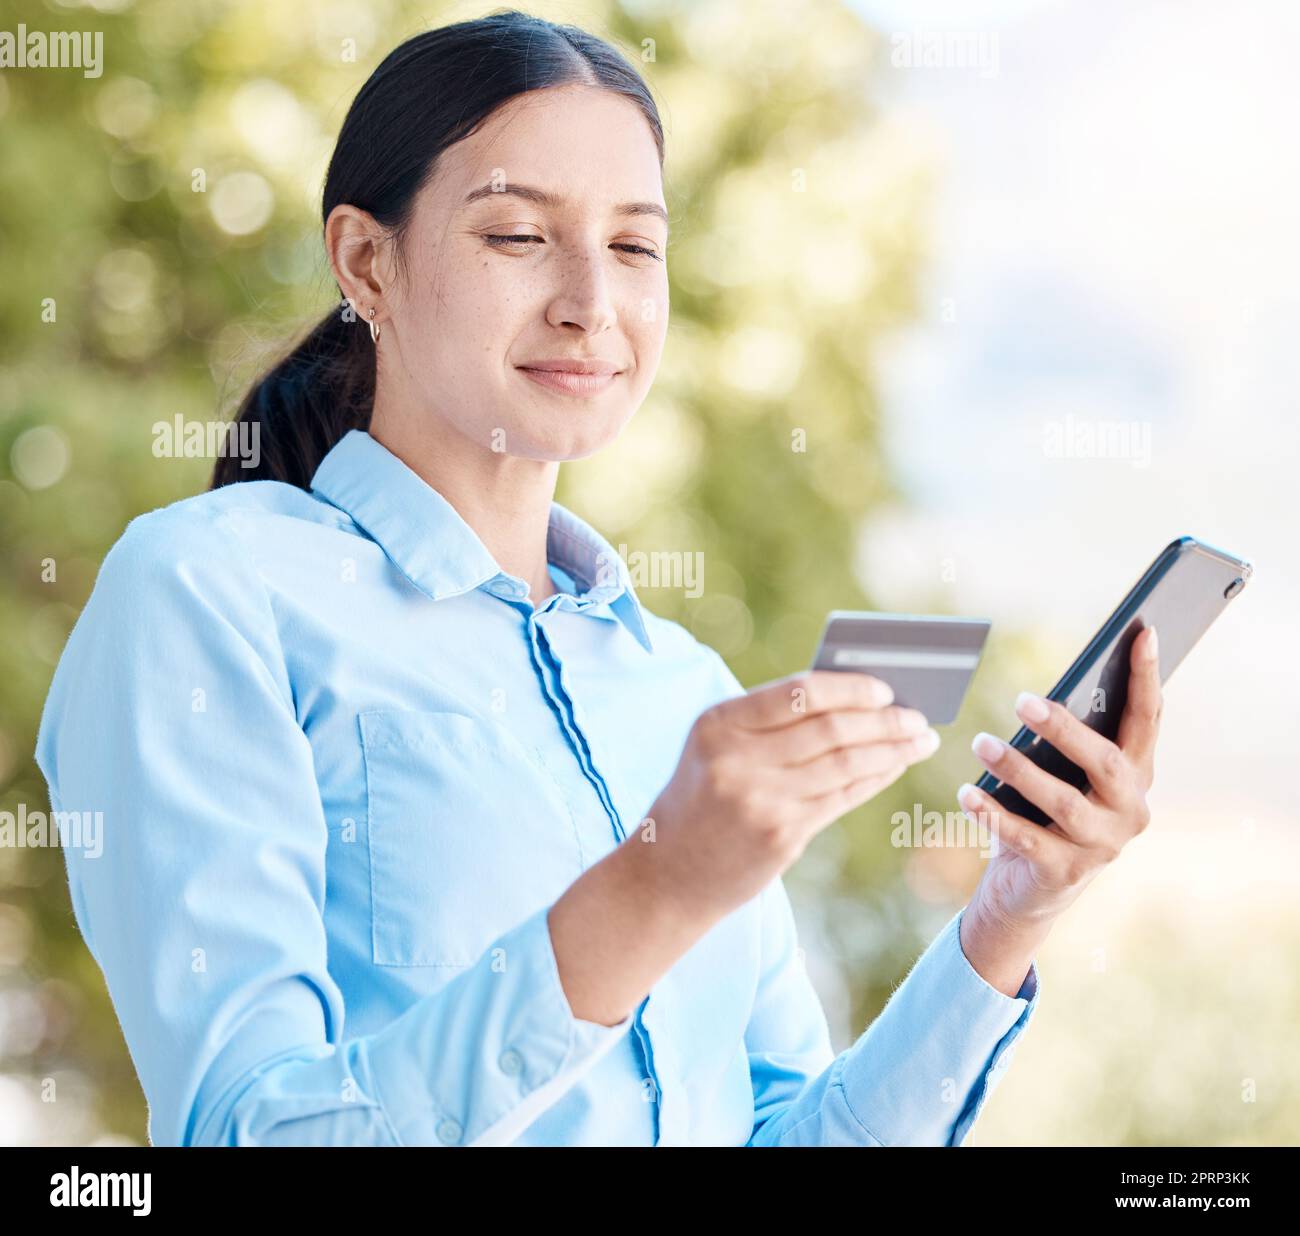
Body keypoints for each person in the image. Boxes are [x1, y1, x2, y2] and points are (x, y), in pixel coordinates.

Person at [34, 10, 1163, 1147]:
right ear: (366, 262)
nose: (591, 303)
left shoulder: (682, 690)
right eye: (520, 237)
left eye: (633, 247)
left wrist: (1009, 919)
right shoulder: (206, 592)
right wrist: (655, 889)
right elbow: (253, 1131)